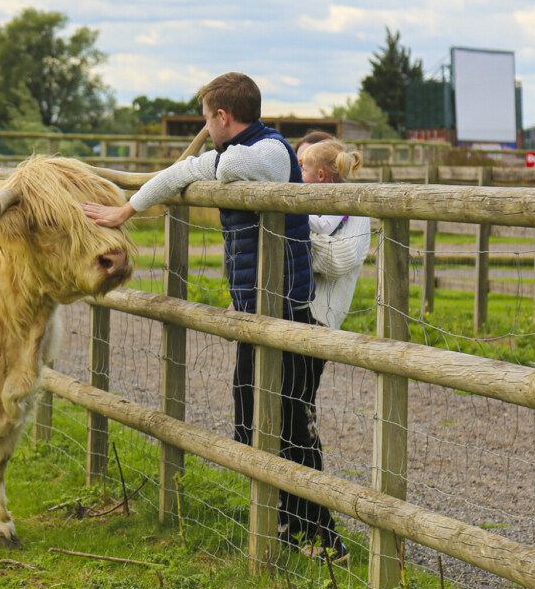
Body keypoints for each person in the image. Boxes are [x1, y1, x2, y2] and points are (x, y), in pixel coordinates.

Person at [82, 72, 345, 559]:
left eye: (207, 117)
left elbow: (220, 169)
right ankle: (288, 524)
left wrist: (210, 163)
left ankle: (322, 535)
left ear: (223, 117)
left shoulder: (268, 150)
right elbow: (180, 173)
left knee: (286, 422)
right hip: (256, 309)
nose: (206, 125)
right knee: (249, 421)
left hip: (286, 310)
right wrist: (127, 210)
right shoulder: (237, 148)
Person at [296, 139, 371, 331]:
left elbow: (336, 259)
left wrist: (292, 227)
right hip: (286, 308)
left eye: (303, 169)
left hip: (317, 318)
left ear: (321, 174)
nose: (298, 175)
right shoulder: (315, 196)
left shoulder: (345, 200)